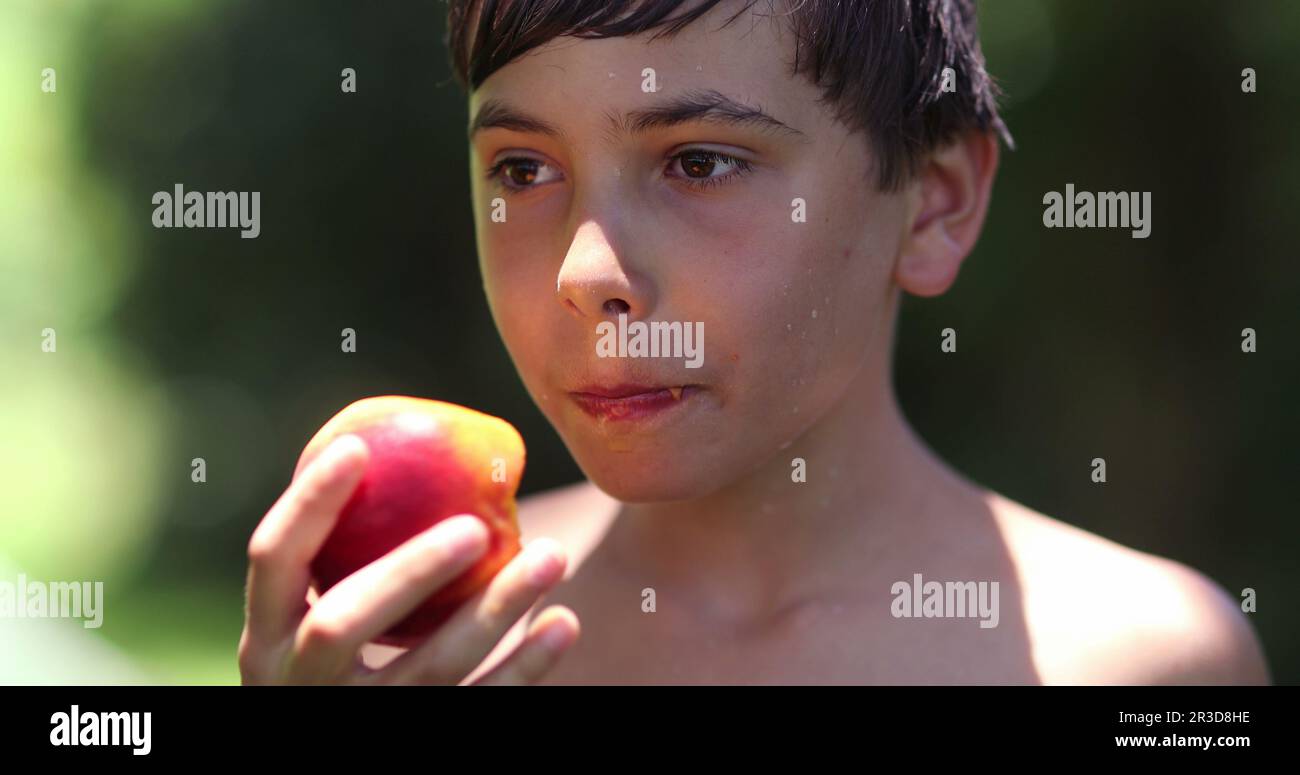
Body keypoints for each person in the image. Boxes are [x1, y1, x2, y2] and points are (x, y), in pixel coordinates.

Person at [238, 0, 1270, 685]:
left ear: (932, 205)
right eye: (520, 170)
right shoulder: (418, 641)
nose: (583, 273)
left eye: (699, 163)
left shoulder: (1154, 662)